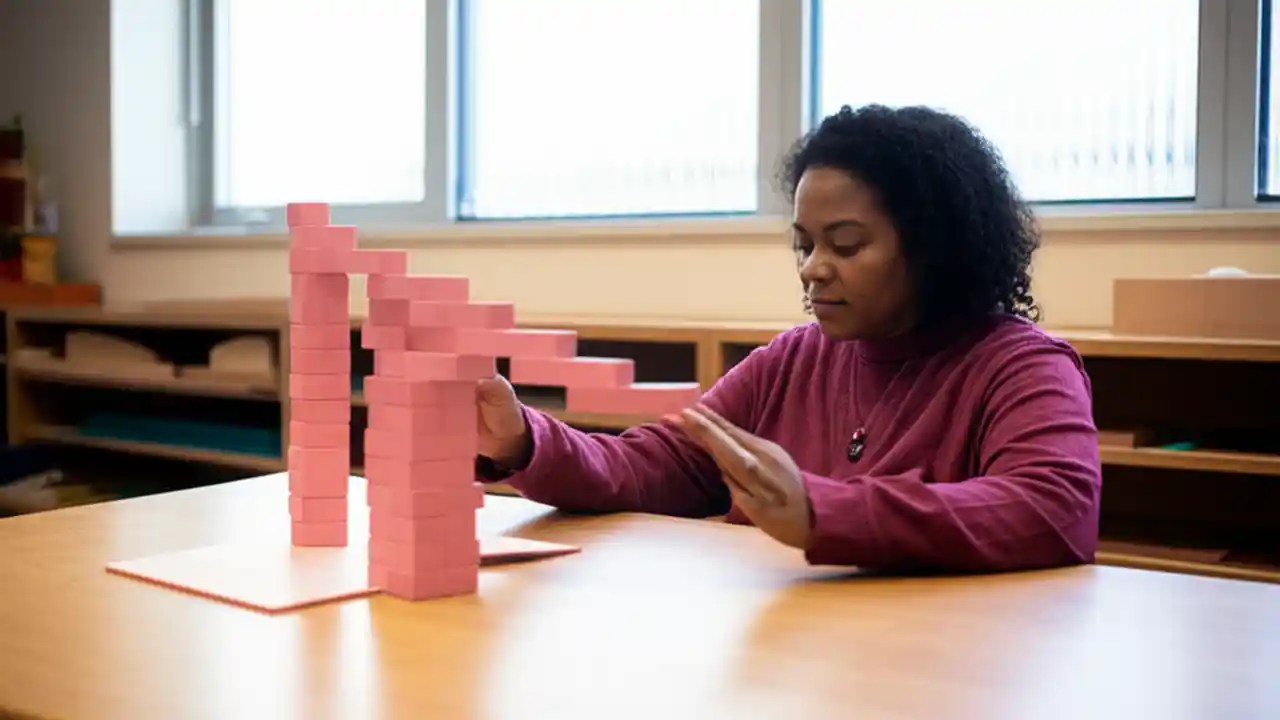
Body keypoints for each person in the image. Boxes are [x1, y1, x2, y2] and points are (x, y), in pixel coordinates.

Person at [473, 104, 1101, 573]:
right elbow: (657, 465)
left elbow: (1052, 509)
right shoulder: (794, 359)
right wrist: (524, 440)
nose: (812, 267)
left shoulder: (1023, 368)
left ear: (935, 248)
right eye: (804, 244)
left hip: (930, 667)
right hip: (792, 654)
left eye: (846, 244)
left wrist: (824, 513)